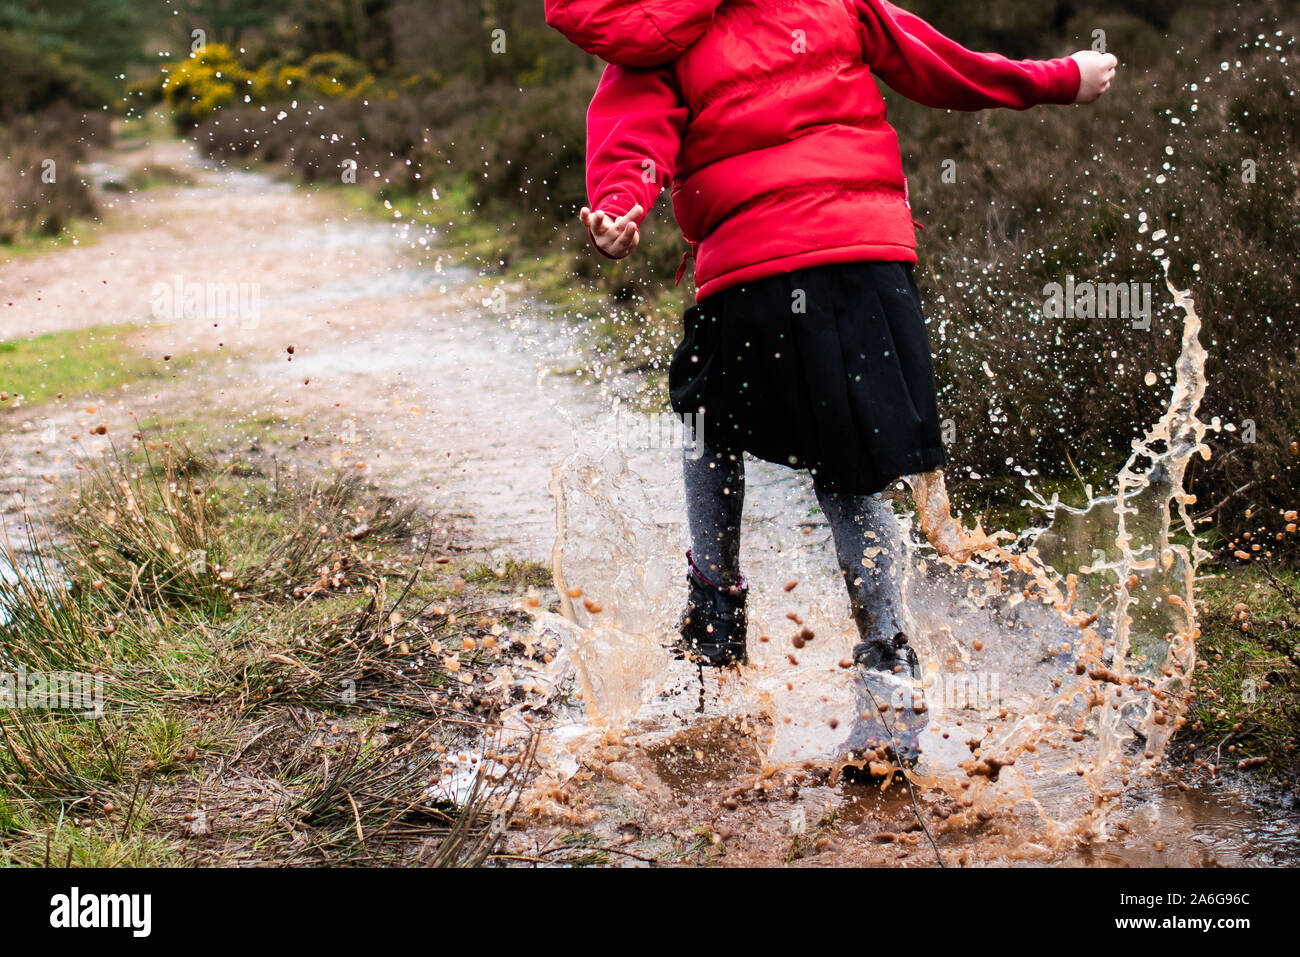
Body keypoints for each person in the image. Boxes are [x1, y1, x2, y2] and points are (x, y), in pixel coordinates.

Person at [545, 0, 1116, 760]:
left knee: (710, 421)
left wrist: (621, 209)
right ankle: (888, 669)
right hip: (863, 258)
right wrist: (1056, 78)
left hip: (751, 270)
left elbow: (633, 134)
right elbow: (938, 64)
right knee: (851, 464)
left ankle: (715, 611)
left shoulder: (663, 22)